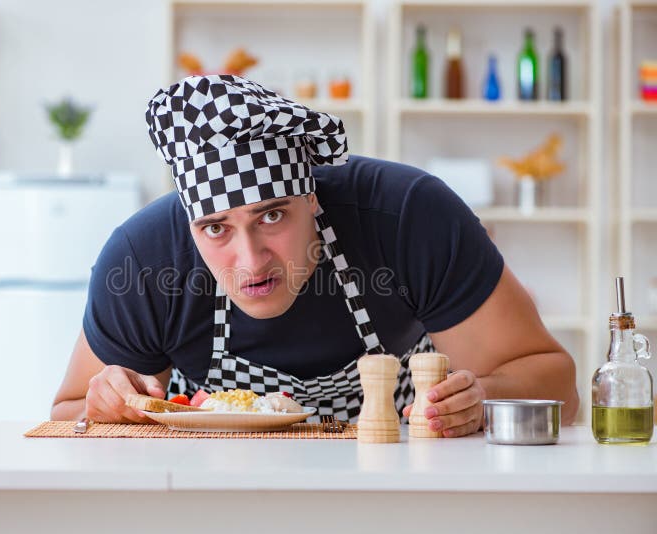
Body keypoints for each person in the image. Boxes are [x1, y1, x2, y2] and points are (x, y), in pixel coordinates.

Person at [51, 75, 579, 437]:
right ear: (190, 225)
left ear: (311, 196)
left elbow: (559, 385)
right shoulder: (143, 258)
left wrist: (481, 400)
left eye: (272, 216)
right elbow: (65, 415)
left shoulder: (410, 217)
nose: (250, 260)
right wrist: (106, 406)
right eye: (215, 229)